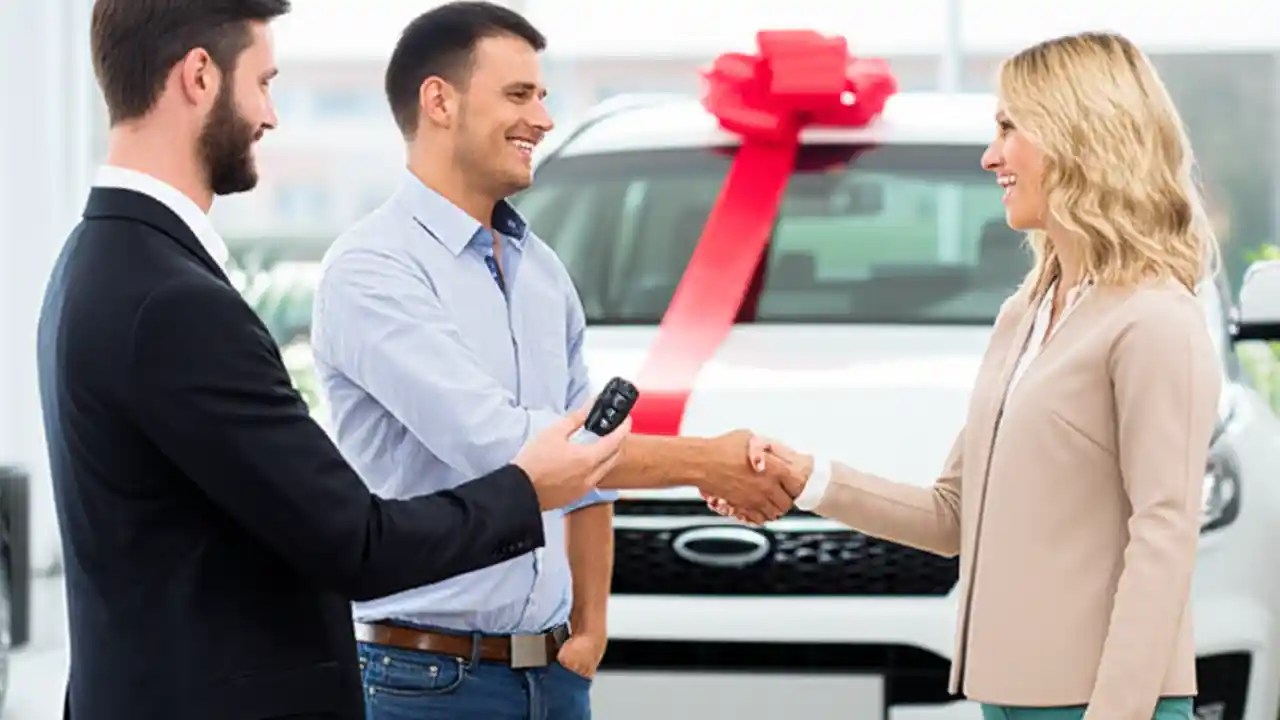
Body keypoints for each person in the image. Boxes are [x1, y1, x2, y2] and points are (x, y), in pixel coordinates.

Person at [36, 2, 630, 719]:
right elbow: (355, 542)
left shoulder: (96, 261)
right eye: (263, 82)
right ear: (199, 76)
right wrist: (525, 487)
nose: (271, 115)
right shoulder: (172, 300)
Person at [710, 31, 1221, 720]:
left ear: (1080, 135)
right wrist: (806, 478)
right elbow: (952, 516)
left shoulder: (1154, 317)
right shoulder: (1026, 314)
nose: (991, 156)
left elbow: (1164, 536)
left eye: (1010, 127)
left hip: (1104, 704)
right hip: (1007, 696)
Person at [307, 2, 799, 717]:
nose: (542, 119)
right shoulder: (372, 270)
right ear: (438, 101)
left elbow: (589, 460)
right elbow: (509, 451)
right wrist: (703, 461)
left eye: (541, 95)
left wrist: (591, 630)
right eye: (519, 95)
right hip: (423, 682)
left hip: (551, 677)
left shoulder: (541, 272)